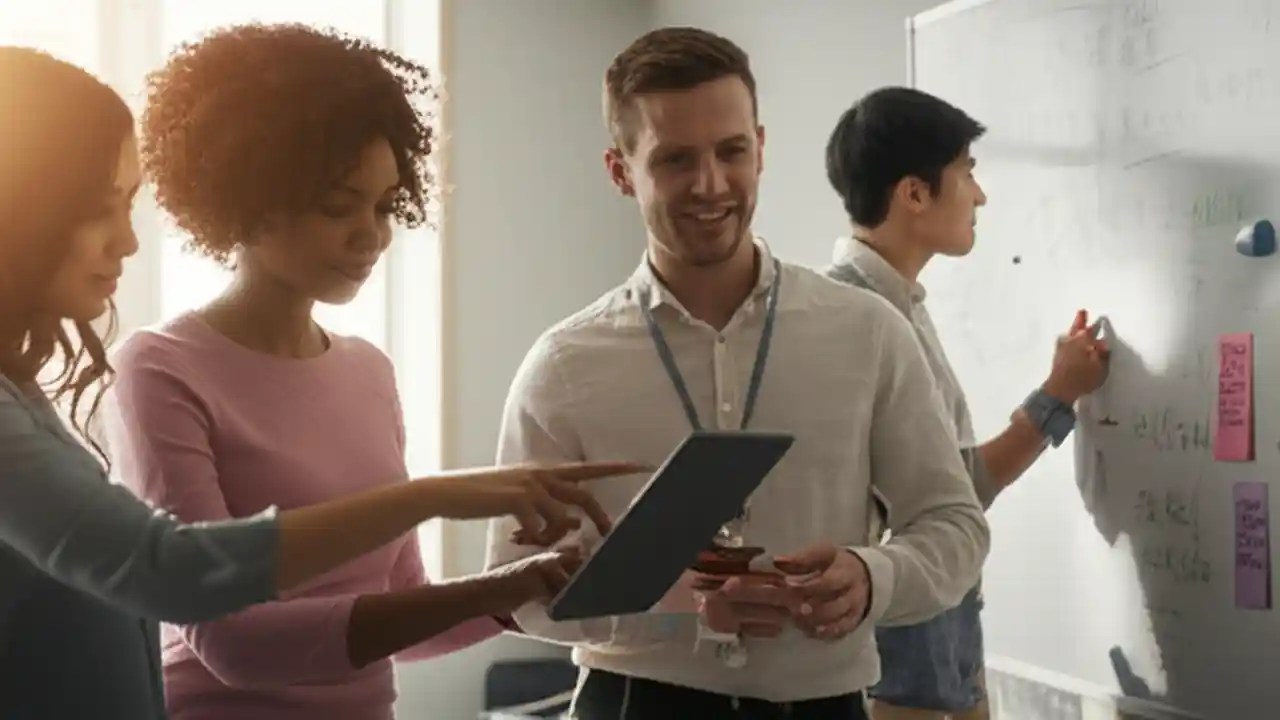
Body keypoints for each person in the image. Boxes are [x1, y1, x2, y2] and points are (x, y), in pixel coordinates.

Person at [0, 46, 642, 719]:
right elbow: (198, 602)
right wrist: (430, 498)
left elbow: (399, 607)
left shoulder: (369, 371)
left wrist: (523, 591)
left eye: (386, 206)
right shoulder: (159, 367)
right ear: (251, 200)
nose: (370, 236)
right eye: (339, 206)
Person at [485, 27, 991, 719]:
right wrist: (671, 607)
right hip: (636, 703)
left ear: (761, 145)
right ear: (618, 170)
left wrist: (873, 579)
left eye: (732, 152)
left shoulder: (868, 333)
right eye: (675, 160)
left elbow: (956, 526)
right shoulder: (565, 366)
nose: (711, 185)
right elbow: (514, 595)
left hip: (825, 704)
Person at [822, 86, 1111, 720]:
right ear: (915, 193)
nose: (979, 196)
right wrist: (1058, 395)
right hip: (902, 641)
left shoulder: (896, 305)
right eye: (967, 174)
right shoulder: (858, 321)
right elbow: (957, 493)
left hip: (938, 628)